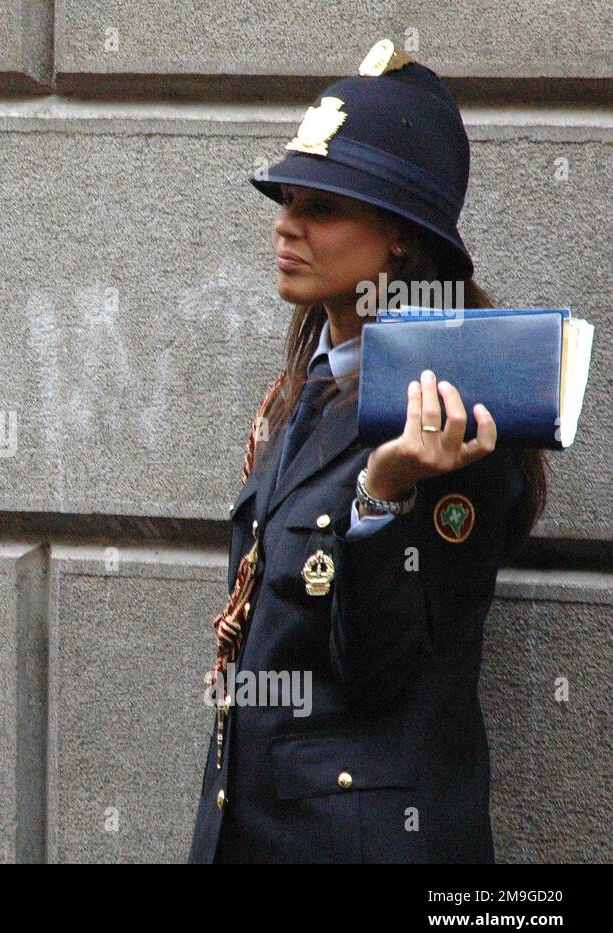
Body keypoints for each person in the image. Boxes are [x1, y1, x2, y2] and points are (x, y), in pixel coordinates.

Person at [188, 39, 548, 863]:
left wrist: (382, 497)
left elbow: (386, 673)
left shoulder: (453, 411)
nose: (285, 223)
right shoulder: (303, 387)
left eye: (320, 208)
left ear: (396, 238)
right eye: (287, 198)